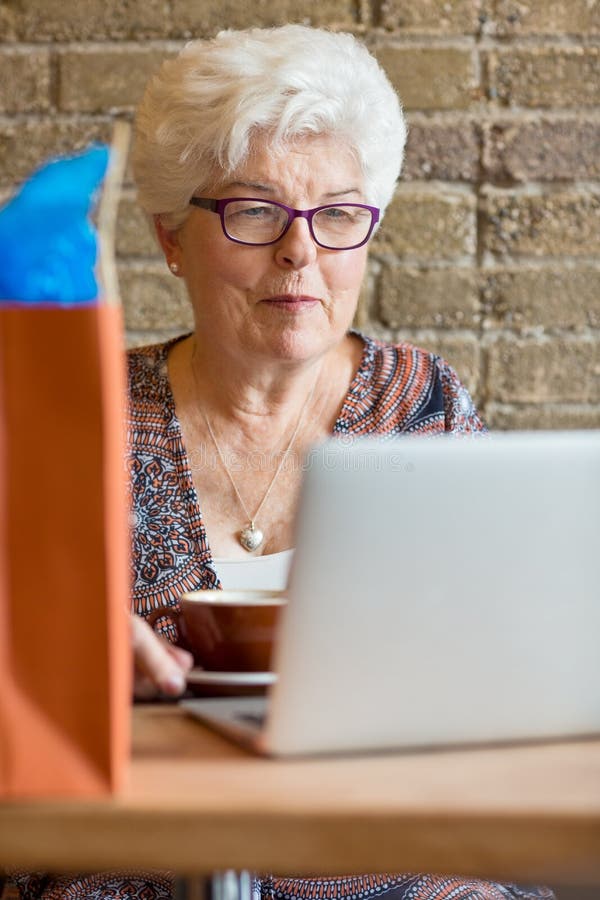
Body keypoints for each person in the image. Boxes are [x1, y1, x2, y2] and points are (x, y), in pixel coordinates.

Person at [13, 23, 555, 900]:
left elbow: (512, 659)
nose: (301, 253)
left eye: (338, 213)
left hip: (395, 855)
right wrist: (52, 660)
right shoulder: (81, 415)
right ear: (172, 238)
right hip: (137, 853)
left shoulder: (422, 406)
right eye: (255, 210)